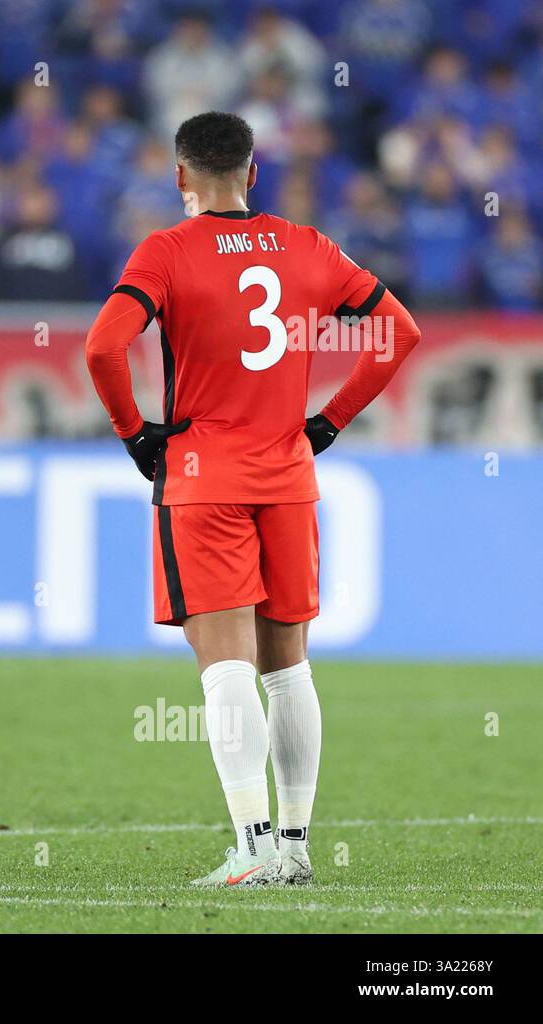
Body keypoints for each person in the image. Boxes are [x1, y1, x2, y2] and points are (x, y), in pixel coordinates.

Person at [84, 111, 421, 886]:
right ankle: (296, 849)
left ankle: (253, 848)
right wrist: (329, 423)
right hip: (288, 476)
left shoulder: (166, 251)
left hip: (205, 478)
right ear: (253, 173)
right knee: (288, 667)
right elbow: (397, 332)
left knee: (223, 665)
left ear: (180, 178)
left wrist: (135, 433)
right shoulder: (308, 247)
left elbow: (104, 344)